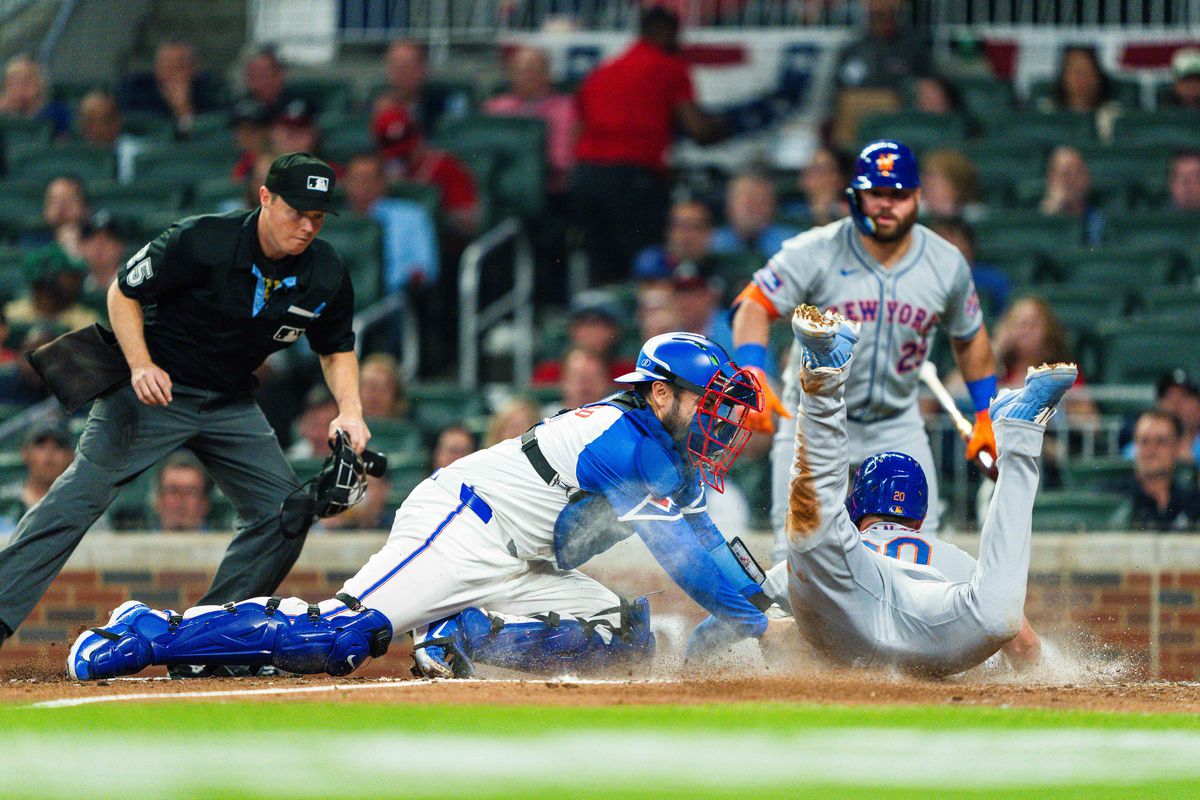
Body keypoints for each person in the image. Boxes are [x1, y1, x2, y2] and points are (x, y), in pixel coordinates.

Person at [68, 332, 775, 682]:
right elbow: (687, 561)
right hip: (466, 524)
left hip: (523, 561)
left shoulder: (668, 454)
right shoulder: (626, 441)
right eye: (705, 403)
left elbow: (708, 543)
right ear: (659, 395)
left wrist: (759, 605)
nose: (718, 421)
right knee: (335, 638)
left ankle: (459, 637)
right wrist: (757, 617)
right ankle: (151, 631)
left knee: (627, 641)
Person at [0, 152, 369, 655]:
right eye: (296, 212)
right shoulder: (203, 239)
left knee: (283, 510)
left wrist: (350, 409)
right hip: (155, 388)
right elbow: (122, 291)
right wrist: (139, 363)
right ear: (265, 198)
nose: (306, 226)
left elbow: (336, 347)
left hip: (228, 401)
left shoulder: (324, 272)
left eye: (318, 217)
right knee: (80, 495)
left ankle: (206, 639)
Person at [696, 307, 1062, 676]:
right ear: (919, 517)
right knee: (999, 617)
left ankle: (823, 379)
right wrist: (1047, 681)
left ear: (856, 506)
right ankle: (1020, 435)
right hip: (929, 632)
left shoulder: (843, 545)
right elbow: (1024, 642)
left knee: (811, 532)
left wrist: (690, 660)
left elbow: (734, 615)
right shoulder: (952, 558)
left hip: (850, 607)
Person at [731, 141, 999, 557]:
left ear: (918, 198)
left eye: (899, 195)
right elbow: (754, 304)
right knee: (797, 552)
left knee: (918, 547)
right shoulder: (815, 250)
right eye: (877, 193)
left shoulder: (945, 263)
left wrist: (984, 411)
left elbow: (970, 334)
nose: (887, 205)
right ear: (855, 195)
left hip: (895, 421)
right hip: (813, 419)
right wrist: (752, 371)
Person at [573, 6, 725, 286]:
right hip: (631, 176)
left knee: (602, 264)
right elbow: (697, 129)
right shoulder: (669, 67)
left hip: (586, 176)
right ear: (665, 33)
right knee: (646, 261)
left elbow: (577, 129)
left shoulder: (602, 71)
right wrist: (721, 126)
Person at [373, 106, 480, 238]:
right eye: (397, 155)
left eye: (406, 153)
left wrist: (441, 215)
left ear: (419, 137)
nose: (402, 158)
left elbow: (470, 222)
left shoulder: (445, 166)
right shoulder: (378, 172)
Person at [483, 46, 577, 194]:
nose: (526, 75)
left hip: (551, 188)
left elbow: (563, 158)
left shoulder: (567, 109)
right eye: (519, 70)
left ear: (547, 73)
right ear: (510, 74)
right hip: (501, 187)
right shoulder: (495, 108)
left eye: (533, 69)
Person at [342, 151, 438, 293]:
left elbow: (426, 270)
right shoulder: (331, 220)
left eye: (367, 179)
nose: (361, 186)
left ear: (383, 182)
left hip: (392, 302)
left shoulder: (411, 215)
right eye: (355, 179)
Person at [992, 297, 1097, 423]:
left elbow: (1093, 423)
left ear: (1048, 330)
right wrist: (997, 349)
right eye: (1019, 323)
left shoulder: (1063, 372)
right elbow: (964, 394)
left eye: (1033, 324)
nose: (1025, 330)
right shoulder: (998, 369)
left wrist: (1054, 404)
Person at [117, 41, 221, 137]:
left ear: (195, 69)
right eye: (165, 65)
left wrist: (183, 108)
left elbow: (204, 135)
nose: (171, 72)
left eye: (179, 66)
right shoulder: (135, 87)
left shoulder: (209, 90)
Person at [531, 291, 635, 385]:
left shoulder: (629, 373)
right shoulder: (548, 373)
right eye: (583, 324)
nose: (591, 331)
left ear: (615, 330)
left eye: (599, 324)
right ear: (572, 329)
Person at [1125, 410, 1200, 532]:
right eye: (1144, 441)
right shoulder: (1112, 497)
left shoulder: (1194, 502)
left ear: (1177, 447)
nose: (1151, 450)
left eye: (1161, 441)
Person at [377, 40, 470, 133]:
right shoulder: (375, 106)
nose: (401, 72)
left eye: (408, 65)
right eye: (396, 65)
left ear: (423, 68)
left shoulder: (445, 103)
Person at [834, 0, 931, 89]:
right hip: (861, 103)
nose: (877, 21)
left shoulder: (912, 48)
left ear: (895, 15)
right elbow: (842, 85)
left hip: (902, 104)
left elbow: (929, 83)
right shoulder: (854, 50)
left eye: (881, 15)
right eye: (873, 15)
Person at [0, 421, 74, 534]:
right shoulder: (5, 503)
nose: (49, 454)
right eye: (41, 446)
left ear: (70, 455)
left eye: (58, 447)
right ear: (25, 452)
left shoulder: (82, 509)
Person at [928, 216, 1010, 316]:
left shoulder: (994, 280)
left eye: (951, 238)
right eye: (938, 239)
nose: (944, 246)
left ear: (969, 244)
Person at [1038, 46, 1121, 142]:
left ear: (1098, 77)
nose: (1080, 79)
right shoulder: (1046, 112)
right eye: (1075, 71)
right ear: (1063, 76)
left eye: (1086, 71)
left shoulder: (1114, 114)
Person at [5, 244, 98, 331]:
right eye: (70, 277)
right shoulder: (11, 315)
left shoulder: (87, 322)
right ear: (45, 280)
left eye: (77, 277)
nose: (76, 283)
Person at [710, 172, 799, 260]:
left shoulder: (793, 244)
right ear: (729, 205)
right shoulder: (709, 244)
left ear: (773, 206)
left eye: (762, 201)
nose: (754, 207)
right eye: (748, 200)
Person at [632, 199, 714, 282]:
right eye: (681, 227)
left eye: (695, 227)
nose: (687, 236)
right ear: (669, 231)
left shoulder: (719, 267)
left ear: (709, 232)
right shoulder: (651, 263)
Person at [1040, 145, 1104, 246]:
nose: (1072, 181)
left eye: (1077, 173)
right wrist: (1049, 217)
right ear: (1051, 179)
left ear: (1087, 177)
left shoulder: (1100, 222)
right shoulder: (1034, 222)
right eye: (1066, 174)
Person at [0, 54, 70, 137]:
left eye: (26, 81)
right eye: (13, 83)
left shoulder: (56, 112)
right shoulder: (4, 113)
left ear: (39, 84)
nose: (19, 88)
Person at [27, 175, 89, 258]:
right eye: (54, 201)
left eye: (68, 201)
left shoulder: (96, 241)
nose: (60, 207)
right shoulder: (31, 241)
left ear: (84, 207)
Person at [786, 146, 850, 226]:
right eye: (808, 167)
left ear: (840, 179)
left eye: (820, 168)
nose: (810, 173)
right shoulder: (791, 211)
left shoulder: (852, 215)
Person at [152, 451, 214, 532]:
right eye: (173, 491)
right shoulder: (137, 541)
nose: (180, 499)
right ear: (158, 499)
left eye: (189, 492)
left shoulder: (225, 543)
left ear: (204, 502)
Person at [919, 150, 983, 222]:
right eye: (926, 179)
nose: (927, 186)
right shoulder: (913, 212)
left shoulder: (978, 217)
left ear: (957, 186)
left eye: (935, 181)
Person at [79, 210, 127, 305]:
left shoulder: (137, 286)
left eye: (108, 239)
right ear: (82, 246)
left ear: (120, 246)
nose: (99, 245)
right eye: (92, 239)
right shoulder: (74, 288)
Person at [240, 47, 293, 117]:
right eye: (251, 77)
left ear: (279, 76)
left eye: (262, 77)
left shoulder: (298, 102)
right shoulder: (241, 107)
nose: (255, 84)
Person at [558, 346, 614, 411]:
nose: (586, 387)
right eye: (579, 379)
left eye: (592, 379)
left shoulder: (621, 418)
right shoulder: (548, 419)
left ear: (605, 381)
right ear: (564, 381)